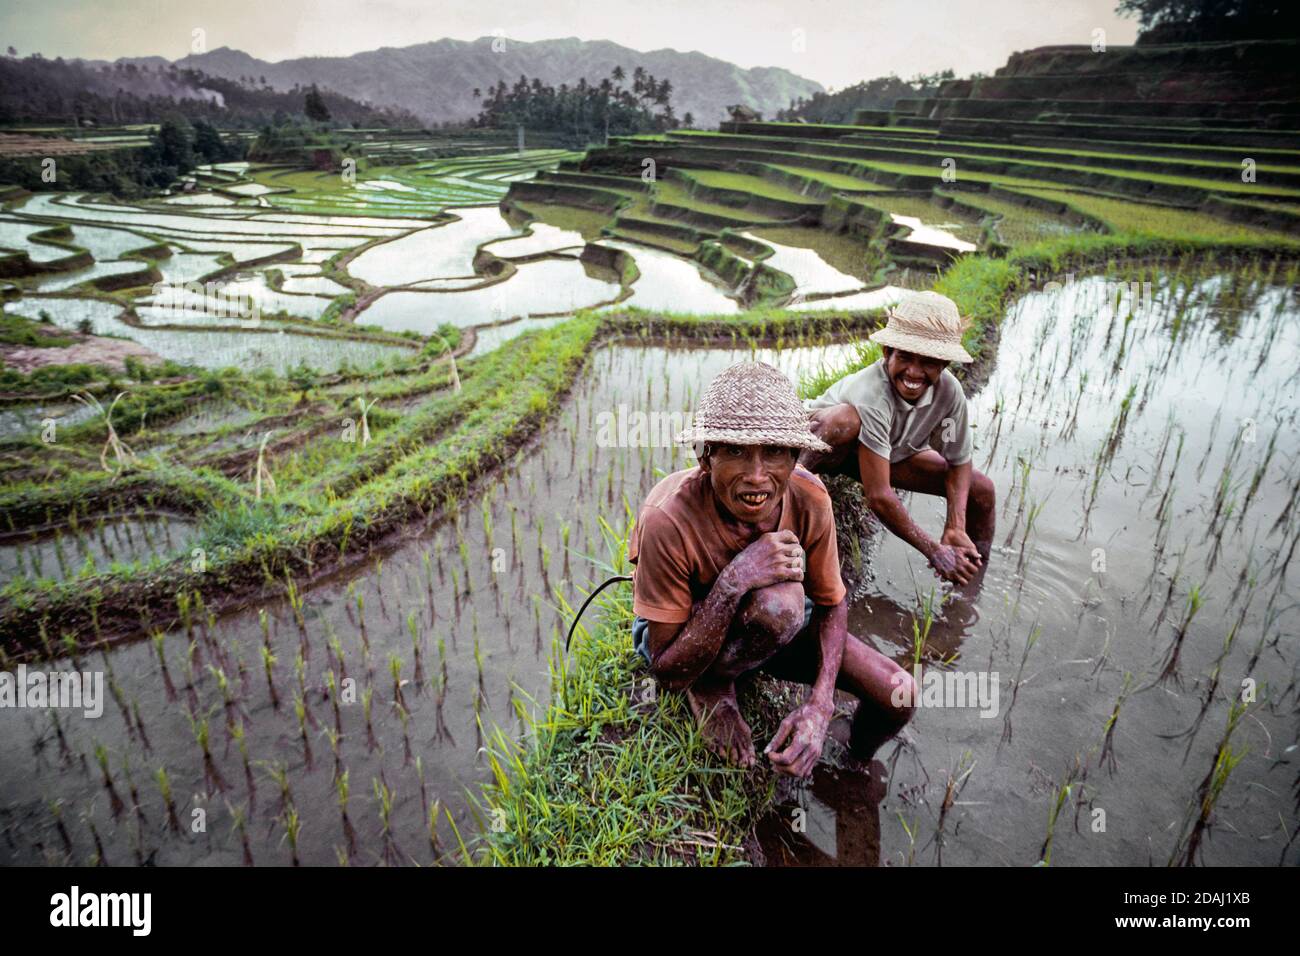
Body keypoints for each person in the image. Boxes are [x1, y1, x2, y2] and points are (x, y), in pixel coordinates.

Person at [627, 361, 916, 775]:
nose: (757, 476)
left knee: (898, 693)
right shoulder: (666, 518)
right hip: (688, 635)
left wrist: (820, 705)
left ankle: (852, 769)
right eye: (736, 451)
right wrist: (735, 579)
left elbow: (832, 603)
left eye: (775, 452)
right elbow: (667, 668)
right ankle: (713, 685)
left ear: (796, 456)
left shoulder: (811, 498)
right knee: (780, 602)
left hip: (777, 627)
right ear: (706, 456)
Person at [802, 291, 996, 587]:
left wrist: (955, 526)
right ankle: (793, 484)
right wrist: (933, 550)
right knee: (845, 418)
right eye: (905, 357)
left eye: (928, 362)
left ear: (944, 363)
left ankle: (971, 578)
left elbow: (958, 461)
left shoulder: (949, 394)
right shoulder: (873, 392)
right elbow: (878, 495)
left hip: (881, 456)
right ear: (886, 353)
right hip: (824, 445)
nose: (914, 373)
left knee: (982, 490)